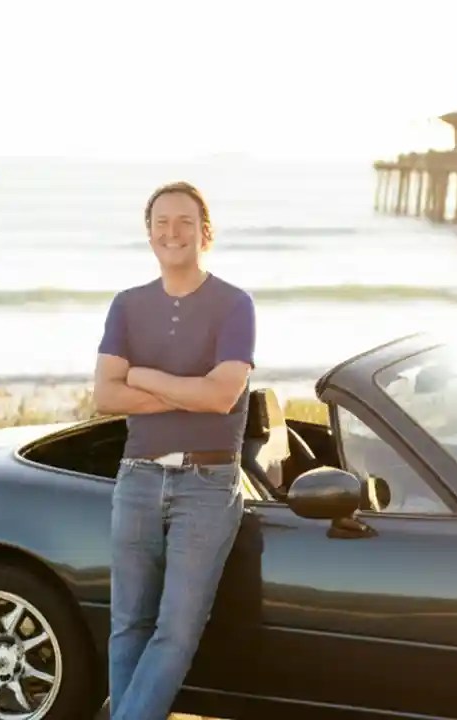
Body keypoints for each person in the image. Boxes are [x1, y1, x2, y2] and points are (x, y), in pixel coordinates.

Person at [93, 180, 255, 719]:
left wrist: (143, 377)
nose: (172, 232)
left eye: (185, 222)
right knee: (128, 627)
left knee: (177, 630)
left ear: (205, 233)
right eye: (161, 223)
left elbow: (223, 395)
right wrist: (188, 393)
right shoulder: (127, 305)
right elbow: (104, 395)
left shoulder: (235, 305)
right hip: (137, 479)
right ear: (149, 235)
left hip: (207, 487)